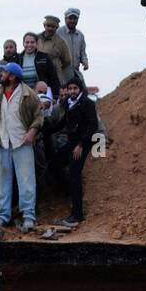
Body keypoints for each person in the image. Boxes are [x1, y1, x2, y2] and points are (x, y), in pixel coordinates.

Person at [0, 62, 42, 231]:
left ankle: (28, 216)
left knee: (26, 180)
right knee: (2, 180)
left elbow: (39, 116)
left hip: (22, 142)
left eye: (4, 72)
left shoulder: (28, 94)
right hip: (2, 141)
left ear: (12, 76)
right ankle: (4, 215)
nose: (1, 74)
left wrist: (32, 132)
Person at [47, 78, 98, 227]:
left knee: (75, 175)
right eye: (70, 89)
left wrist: (81, 144)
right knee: (54, 164)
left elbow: (93, 125)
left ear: (80, 89)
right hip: (71, 143)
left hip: (84, 144)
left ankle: (77, 215)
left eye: (75, 88)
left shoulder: (88, 103)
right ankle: (68, 191)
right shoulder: (69, 104)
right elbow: (63, 122)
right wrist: (44, 132)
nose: (72, 91)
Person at [17, 31, 60, 97]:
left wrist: (55, 96)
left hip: (40, 94)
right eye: (27, 42)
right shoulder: (17, 58)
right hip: (21, 94)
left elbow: (53, 77)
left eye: (32, 42)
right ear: (23, 43)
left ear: (36, 43)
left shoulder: (44, 57)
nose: (29, 45)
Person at [36, 16, 74, 86]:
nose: (50, 28)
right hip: (38, 76)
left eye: (53, 27)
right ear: (44, 25)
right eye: (48, 26)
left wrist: (56, 65)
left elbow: (67, 60)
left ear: (57, 28)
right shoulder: (36, 38)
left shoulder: (61, 42)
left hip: (55, 77)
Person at [58, 8, 89, 88]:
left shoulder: (80, 35)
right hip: (62, 73)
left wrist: (85, 62)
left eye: (75, 18)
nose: (72, 21)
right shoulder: (58, 32)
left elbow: (82, 53)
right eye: (70, 18)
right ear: (65, 19)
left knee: (84, 93)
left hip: (76, 71)